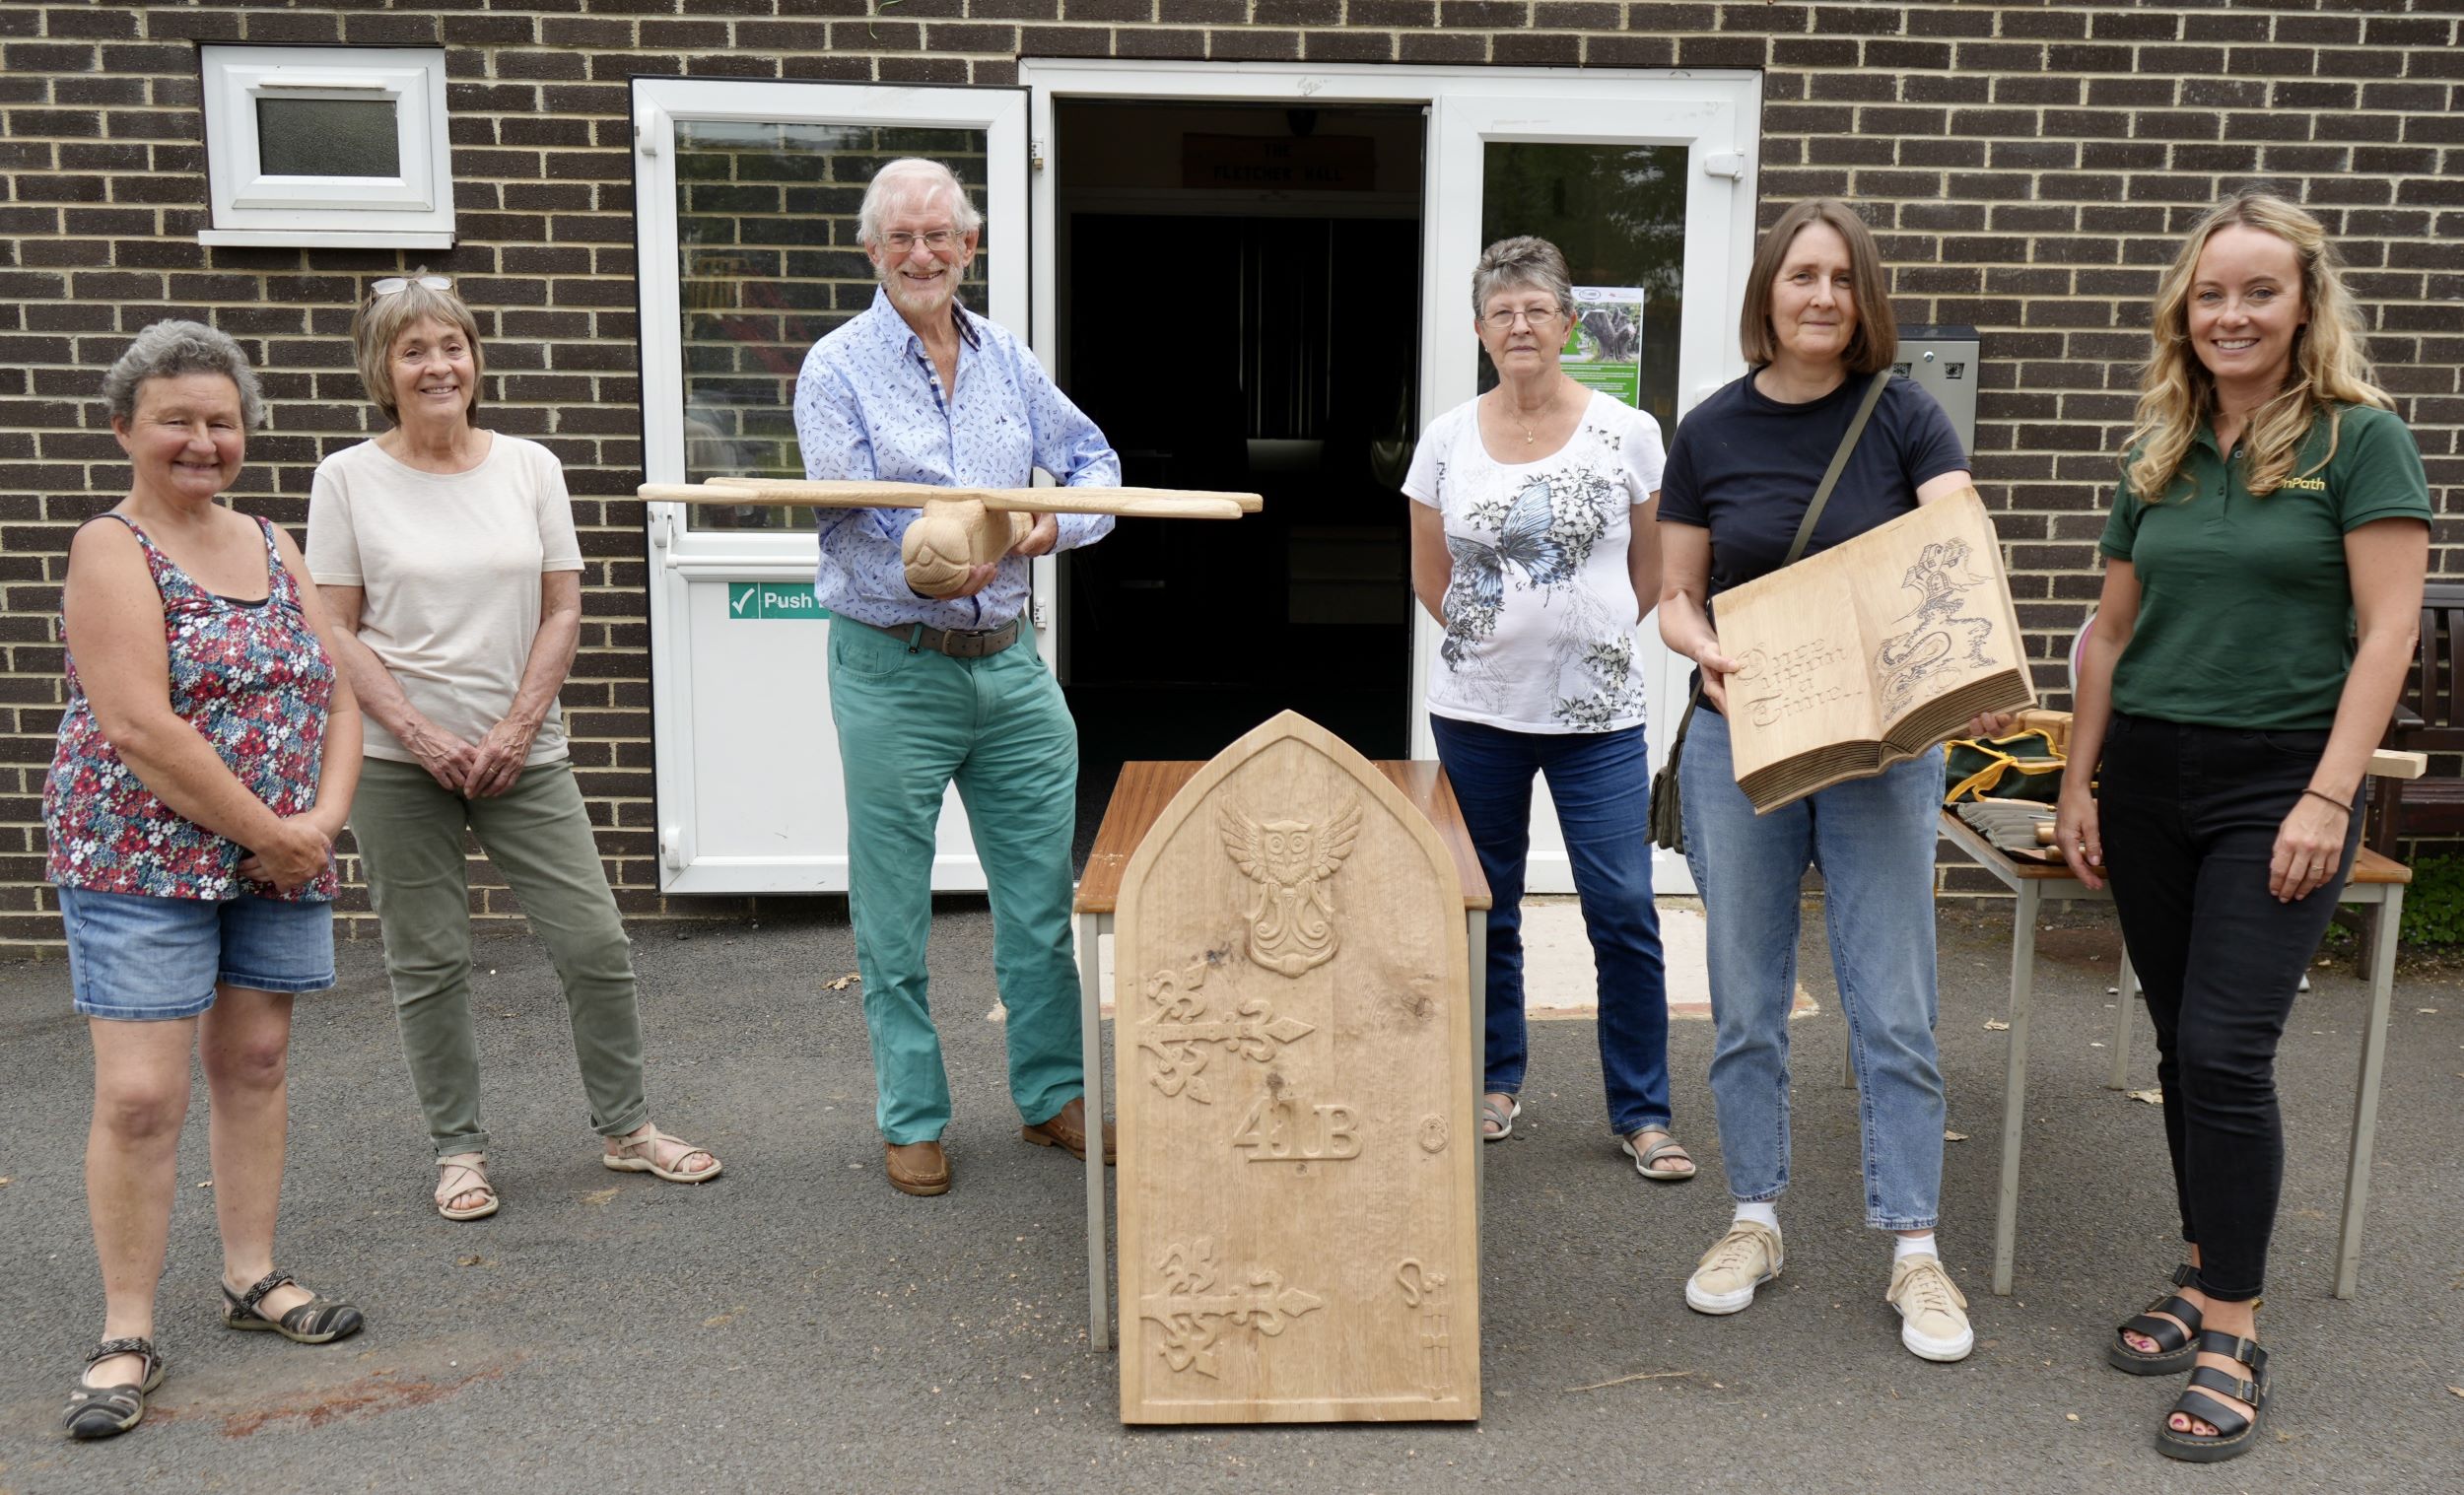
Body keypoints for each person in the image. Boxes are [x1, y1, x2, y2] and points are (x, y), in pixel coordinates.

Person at [2057, 190, 2430, 1463]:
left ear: (2304, 304)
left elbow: (2389, 628)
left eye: (2258, 291)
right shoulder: (2158, 441)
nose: (2231, 313)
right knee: (2179, 1038)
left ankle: (2234, 1327)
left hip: (2279, 776)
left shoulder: (2360, 440)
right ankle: (2207, 1258)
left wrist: (2332, 792)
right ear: (2186, 309)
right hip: (2147, 776)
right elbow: (2109, 631)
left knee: (2225, 1047)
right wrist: (2074, 782)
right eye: (2211, 293)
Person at [309, 276, 721, 1222]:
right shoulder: (347, 477)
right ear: (383, 370)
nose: (436, 365)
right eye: (413, 351)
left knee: (595, 942)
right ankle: (459, 1151)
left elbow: (563, 606)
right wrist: (415, 730)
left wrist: (515, 726)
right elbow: (337, 630)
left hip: (520, 750)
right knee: (428, 960)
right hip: (397, 760)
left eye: (450, 345)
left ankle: (625, 1129)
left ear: (475, 358)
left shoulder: (530, 466)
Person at [1656, 199, 1981, 1362]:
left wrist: (1973, 636)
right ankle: (1753, 1217)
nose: (1822, 296)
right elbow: (1675, 596)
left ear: (1865, 296)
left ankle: (1913, 1247)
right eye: (1802, 274)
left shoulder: (1904, 416)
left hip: (1882, 752)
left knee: (1892, 1001)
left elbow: (1953, 545)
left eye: (1843, 278)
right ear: (1768, 291)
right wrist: (1700, 651)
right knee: (1746, 1000)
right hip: (1740, 739)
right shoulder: (1708, 429)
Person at [50, 321, 367, 1439]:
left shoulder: (274, 540)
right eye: (176, 419)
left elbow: (333, 685)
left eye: (220, 420)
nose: (201, 440)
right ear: (126, 427)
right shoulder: (112, 547)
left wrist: (321, 819)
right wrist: (270, 832)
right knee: (142, 1095)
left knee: (258, 1059)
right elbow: (139, 724)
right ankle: (126, 1330)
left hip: (281, 848)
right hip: (144, 857)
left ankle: (253, 1277)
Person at [791, 158, 1118, 1197]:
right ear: (872, 251)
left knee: (1035, 903)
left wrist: (1044, 524)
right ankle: (913, 1114)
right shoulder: (835, 367)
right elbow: (841, 512)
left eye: (941, 236)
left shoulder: (1007, 361)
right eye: (901, 238)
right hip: (894, 667)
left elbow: (1097, 463)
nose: (922, 254)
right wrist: (930, 562)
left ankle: (1053, 1094)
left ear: (969, 247)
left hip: (1011, 668)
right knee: (892, 912)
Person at [1403, 237, 1686, 1179]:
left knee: (1624, 909)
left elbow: (1652, 572)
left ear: (1569, 324)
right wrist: (1494, 641)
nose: (1520, 324)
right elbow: (1428, 571)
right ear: (1480, 330)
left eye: (1537, 308)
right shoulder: (1446, 438)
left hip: (1599, 721)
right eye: (1501, 310)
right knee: (1490, 906)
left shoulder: (1628, 430)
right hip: (1476, 711)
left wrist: (1582, 640)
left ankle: (1643, 1112)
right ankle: (1493, 1080)